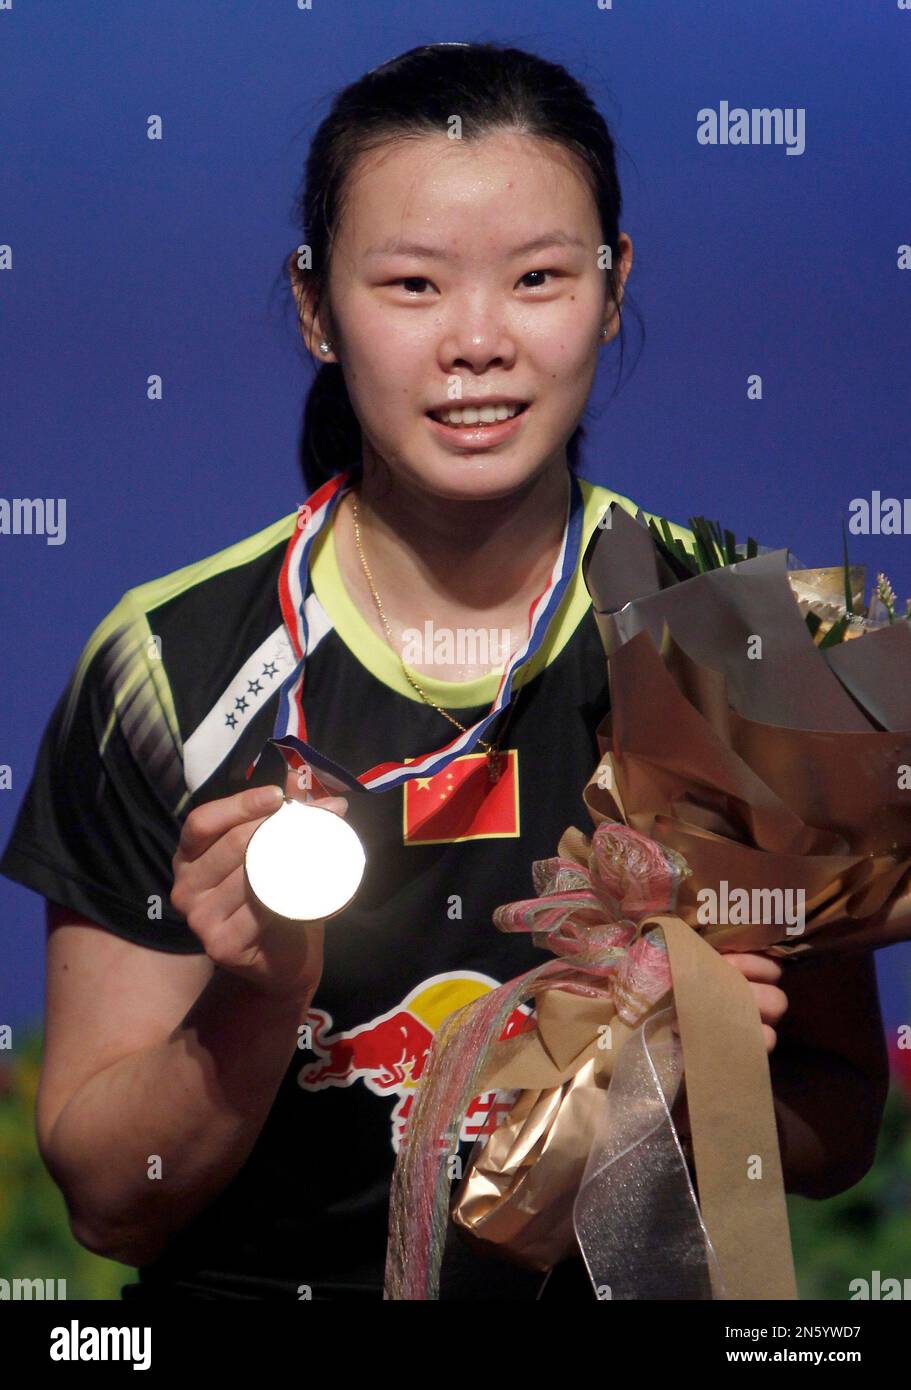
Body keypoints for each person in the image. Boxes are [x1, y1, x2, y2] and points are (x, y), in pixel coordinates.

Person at [0, 42, 889, 1302]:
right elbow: (109, 1206)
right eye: (410, 284)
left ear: (612, 284)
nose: (477, 342)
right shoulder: (165, 664)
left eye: (537, 277)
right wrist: (256, 999)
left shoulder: (737, 634)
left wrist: (688, 1090)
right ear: (314, 306)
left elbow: (837, 1127)